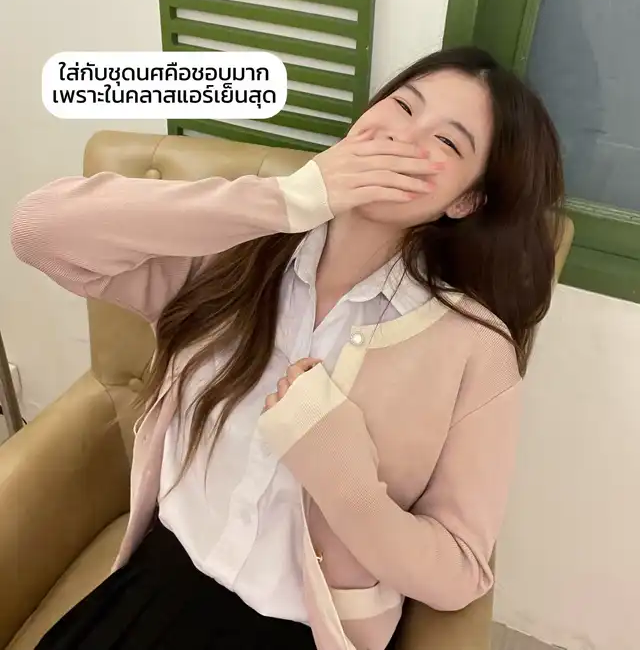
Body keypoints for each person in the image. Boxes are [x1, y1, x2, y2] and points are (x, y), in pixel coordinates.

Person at [11, 46, 564, 650]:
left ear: (465, 201)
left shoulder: (474, 349)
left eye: (447, 142)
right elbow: (39, 231)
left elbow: (460, 573)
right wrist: (289, 199)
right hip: (155, 585)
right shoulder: (232, 251)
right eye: (403, 106)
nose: (403, 138)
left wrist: (348, 485)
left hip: (304, 631)